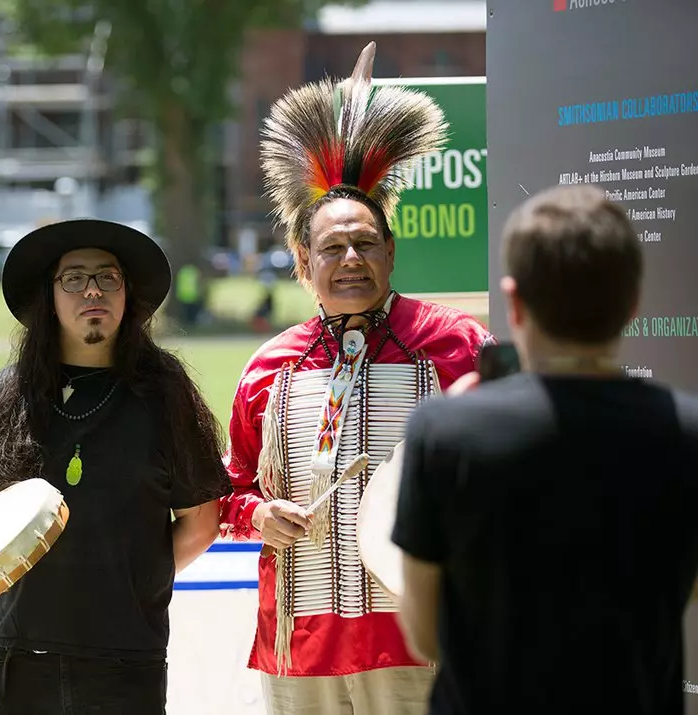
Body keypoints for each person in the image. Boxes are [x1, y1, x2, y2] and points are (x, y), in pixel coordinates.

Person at [217, 42, 494, 714]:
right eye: (332, 246)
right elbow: (228, 494)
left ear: (391, 251)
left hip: (418, 644)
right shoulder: (267, 370)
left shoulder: (453, 346)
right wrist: (260, 513)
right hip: (300, 652)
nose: (350, 259)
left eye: (365, 242)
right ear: (302, 261)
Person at [391, 184, 698, 715]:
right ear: (632, 305)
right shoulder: (685, 433)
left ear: (514, 303)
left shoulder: (443, 432)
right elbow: (682, 592)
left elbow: (424, 634)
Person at [0, 218, 233, 714]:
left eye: (108, 277)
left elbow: (201, 521)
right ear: (49, 295)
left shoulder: (166, 395)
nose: (92, 291)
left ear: (128, 293)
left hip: (128, 660)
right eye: (74, 278)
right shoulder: (0, 400)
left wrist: (132, 583)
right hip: (23, 657)